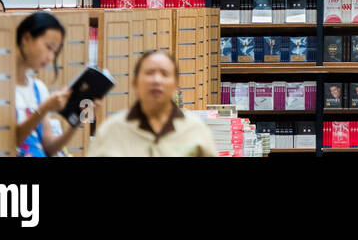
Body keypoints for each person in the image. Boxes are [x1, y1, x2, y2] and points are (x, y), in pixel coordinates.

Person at [88, 48, 217, 156]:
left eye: (164, 74)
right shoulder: (111, 130)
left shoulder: (196, 130)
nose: (156, 80)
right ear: (135, 83)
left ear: (176, 84)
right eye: (149, 73)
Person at [14, 11, 85, 157]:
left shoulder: (38, 89)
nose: (51, 57)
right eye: (49, 47)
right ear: (26, 38)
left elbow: (49, 148)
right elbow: (11, 140)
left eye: (55, 51)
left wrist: (77, 120)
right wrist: (44, 108)